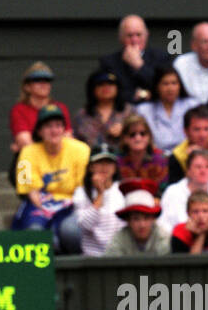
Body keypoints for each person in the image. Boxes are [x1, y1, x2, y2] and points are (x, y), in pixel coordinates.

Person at [13, 104, 90, 234]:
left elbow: (82, 190)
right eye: (48, 126)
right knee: (34, 231)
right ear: (39, 131)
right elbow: (29, 191)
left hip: (73, 203)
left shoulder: (82, 149)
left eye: (58, 126)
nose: (54, 131)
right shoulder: (26, 152)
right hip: (38, 203)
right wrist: (46, 213)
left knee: (70, 232)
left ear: (64, 130)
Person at [159, 149, 208, 233]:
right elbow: (164, 227)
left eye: (207, 167)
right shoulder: (172, 192)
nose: (203, 171)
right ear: (188, 171)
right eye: (198, 167)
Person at [99, 15, 173, 103]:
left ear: (146, 35)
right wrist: (134, 95)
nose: (134, 40)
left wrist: (139, 66)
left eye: (138, 35)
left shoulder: (161, 57)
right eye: (129, 35)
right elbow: (109, 91)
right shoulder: (109, 62)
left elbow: (165, 87)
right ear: (121, 38)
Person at [71, 145, 125, 256]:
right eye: (99, 162)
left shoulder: (123, 189)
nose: (104, 167)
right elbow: (85, 225)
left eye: (108, 163)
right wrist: (100, 194)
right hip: (92, 257)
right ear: (91, 167)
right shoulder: (81, 192)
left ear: (115, 168)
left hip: (120, 256)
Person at [10, 62, 70, 152]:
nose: (43, 84)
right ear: (27, 87)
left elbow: (68, 139)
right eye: (37, 80)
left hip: (59, 160)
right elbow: (25, 144)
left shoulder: (60, 107)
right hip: (30, 159)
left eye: (47, 80)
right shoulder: (19, 110)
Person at [135, 65, 189, 152]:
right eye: (165, 84)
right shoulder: (143, 110)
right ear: (157, 86)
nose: (170, 88)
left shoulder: (192, 106)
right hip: (155, 158)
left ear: (180, 85)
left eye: (174, 83)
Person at [73, 68, 131, 149]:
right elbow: (75, 143)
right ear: (92, 89)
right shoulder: (82, 115)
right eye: (100, 84)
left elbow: (141, 137)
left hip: (122, 159)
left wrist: (125, 131)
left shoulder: (129, 111)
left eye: (110, 84)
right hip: (90, 159)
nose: (106, 87)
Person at [104, 189, 170, 257]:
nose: (142, 225)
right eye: (136, 219)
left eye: (146, 218)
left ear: (153, 219)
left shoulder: (163, 238)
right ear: (128, 220)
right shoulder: (119, 239)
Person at [116, 114, 169, 192]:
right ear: (125, 138)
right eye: (132, 134)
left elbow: (163, 190)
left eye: (142, 133)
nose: (138, 138)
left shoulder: (161, 159)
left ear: (149, 137)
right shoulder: (117, 160)